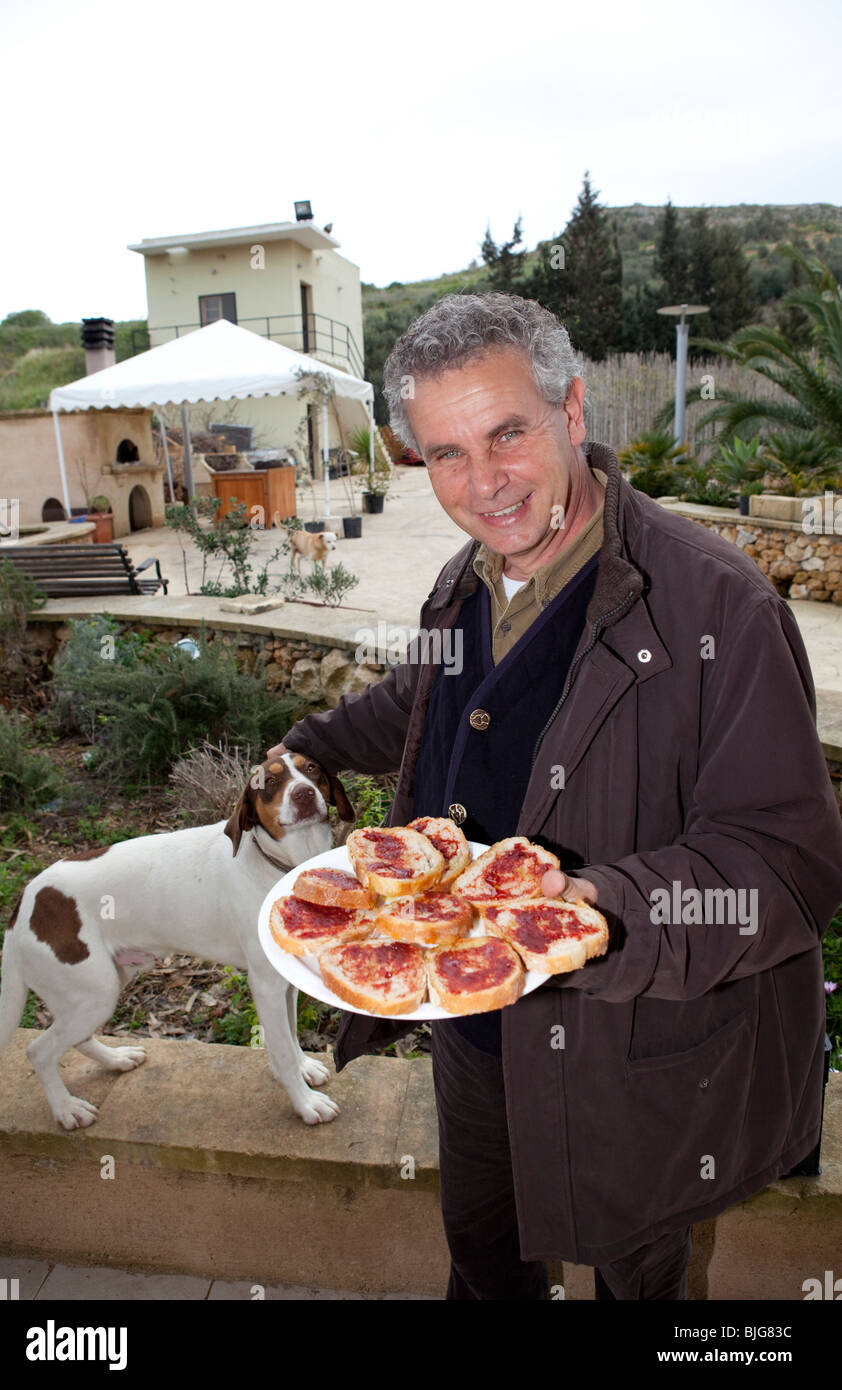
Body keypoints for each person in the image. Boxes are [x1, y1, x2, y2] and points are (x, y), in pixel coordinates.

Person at [268, 292, 842, 1300]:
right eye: (444, 453)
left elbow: (782, 866)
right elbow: (427, 697)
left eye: (505, 433)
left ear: (571, 412)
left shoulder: (717, 604)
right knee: (486, 1269)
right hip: (475, 1036)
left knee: (640, 1281)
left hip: (634, 1053)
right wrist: (309, 744)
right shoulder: (466, 579)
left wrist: (595, 913)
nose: (481, 482)